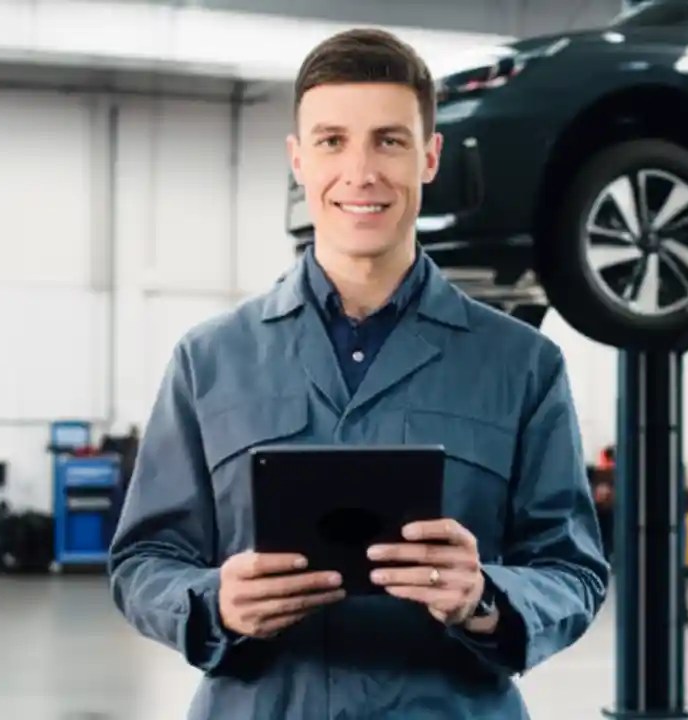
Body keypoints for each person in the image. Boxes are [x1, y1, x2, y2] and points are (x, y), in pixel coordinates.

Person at [108, 27, 610, 720]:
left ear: (430, 156)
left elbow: (573, 568)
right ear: (298, 160)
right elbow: (144, 559)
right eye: (332, 141)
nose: (361, 171)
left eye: (390, 140)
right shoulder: (210, 359)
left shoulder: (521, 364)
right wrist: (212, 602)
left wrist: (486, 598)